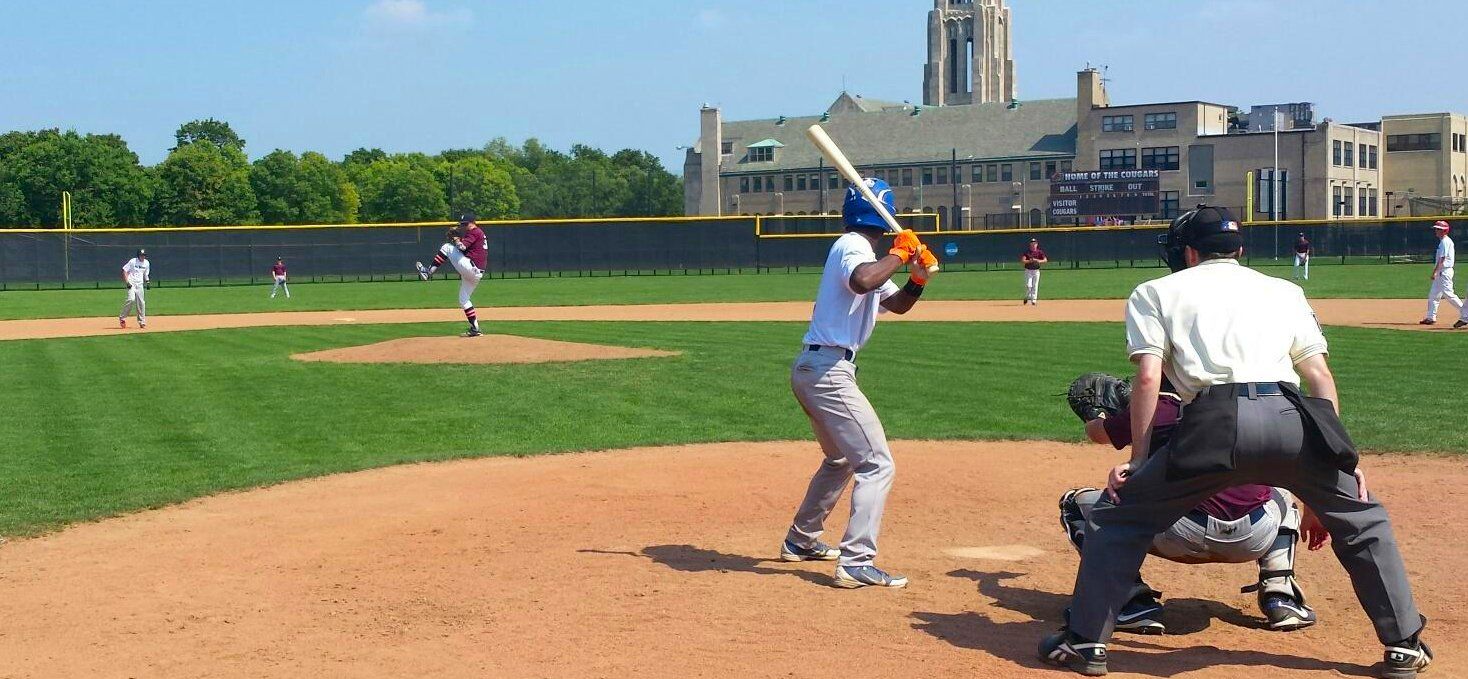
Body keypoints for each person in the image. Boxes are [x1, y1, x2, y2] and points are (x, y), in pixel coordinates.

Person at [1040, 205, 1431, 678]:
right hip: (1292, 417)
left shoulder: (1155, 291)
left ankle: (1085, 644)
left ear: (1188, 251)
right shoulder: (1285, 290)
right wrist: (1340, 457)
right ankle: (1405, 644)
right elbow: (1319, 376)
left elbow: (1147, 380)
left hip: (1214, 422)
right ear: (1240, 249)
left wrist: (1138, 460)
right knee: (1363, 521)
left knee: (1119, 518)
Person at [1060, 373, 1316, 636]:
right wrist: (1314, 511)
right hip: (1254, 538)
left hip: (1177, 534)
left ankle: (1130, 601)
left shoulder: (1157, 408)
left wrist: (1096, 416)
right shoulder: (1255, 410)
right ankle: (1281, 595)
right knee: (1281, 490)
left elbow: (1098, 434)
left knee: (1078, 504)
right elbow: (1305, 465)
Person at [781, 177, 932, 589]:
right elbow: (862, 281)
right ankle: (856, 560)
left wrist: (916, 280)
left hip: (818, 369)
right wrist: (901, 253)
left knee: (842, 459)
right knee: (876, 463)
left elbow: (894, 303)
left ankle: (801, 540)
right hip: (828, 372)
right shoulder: (854, 247)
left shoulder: (864, 253)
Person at [416, 212, 488, 337]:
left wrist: (456, 239)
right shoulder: (476, 233)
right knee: (464, 299)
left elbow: (462, 247)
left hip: (471, 267)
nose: (463, 226)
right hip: (477, 272)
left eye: (465, 224)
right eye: (462, 224)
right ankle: (475, 328)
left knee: (446, 248)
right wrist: (459, 237)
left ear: (472, 223)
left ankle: (428, 272)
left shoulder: (475, 232)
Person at [1419, 220, 1465, 328]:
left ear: (1444, 231)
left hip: (1444, 272)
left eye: (1438, 229)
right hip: (1442, 271)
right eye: (1436, 229)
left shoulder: (1445, 242)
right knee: (1433, 295)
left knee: (1449, 294)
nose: (1436, 231)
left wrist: (1435, 272)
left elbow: (1442, 259)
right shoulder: (1443, 241)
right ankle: (1431, 317)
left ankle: (1466, 314)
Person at [119, 249, 150, 329]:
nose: (143, 256)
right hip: (131, 283)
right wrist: (127, 282)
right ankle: (122, 318)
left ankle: (142, 321)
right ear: (138, 255)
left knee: (141, 303)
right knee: (131, 299)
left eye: (144, 255)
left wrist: (147, 281)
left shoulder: (146, 263)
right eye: (141, 255)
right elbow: (124, 270)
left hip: (140, 284)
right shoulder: (133, 261)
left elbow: (146, 274)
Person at [1021, 238, 1048, 305]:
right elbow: (1023, 260)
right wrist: (1030, 261)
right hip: (1028, 271)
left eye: (1035, 244)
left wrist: (1038, 260)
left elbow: (1045, 260)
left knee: (1035, 285)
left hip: (1036, 271)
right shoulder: (1027, 252)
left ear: (1037, 244)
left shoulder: (1039, 252)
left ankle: (1034, 300)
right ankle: (1027, 297)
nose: (1033, 245)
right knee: (1028, 285)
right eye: (1032, 244)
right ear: (1030, 244)